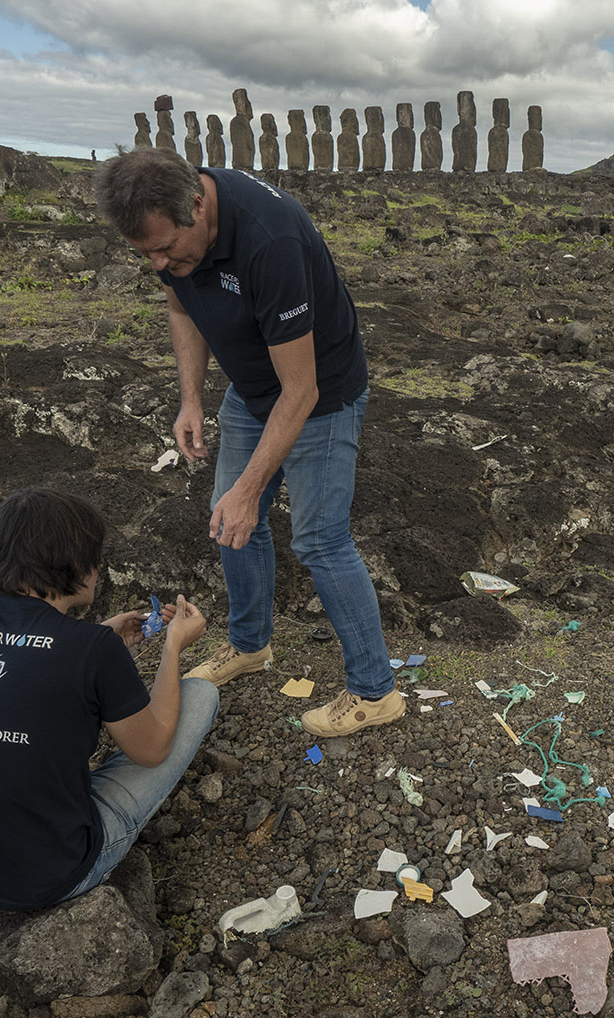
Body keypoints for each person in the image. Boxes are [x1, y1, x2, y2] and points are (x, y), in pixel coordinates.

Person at [94, 148, 403, 738]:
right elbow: (182, 308)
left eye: (166, 248)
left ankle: (376, 690)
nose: (159, 262)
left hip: (321, 392)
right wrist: (191, 399)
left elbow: (301, 390)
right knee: (230, 518)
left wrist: (250, 487)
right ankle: (250, 645)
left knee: (319, 540)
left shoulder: (270, 239)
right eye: (145, 254)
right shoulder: (169, 237)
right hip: (252, 389)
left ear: (196, 204)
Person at [0, 487, 218, 911]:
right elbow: (152, 749)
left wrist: (101, 637)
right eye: (95, 556)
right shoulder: (91, 650)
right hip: (48, 874)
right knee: (200, 694)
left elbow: (20, 662)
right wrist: (173, 647)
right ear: (75, 563)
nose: (98, 567)